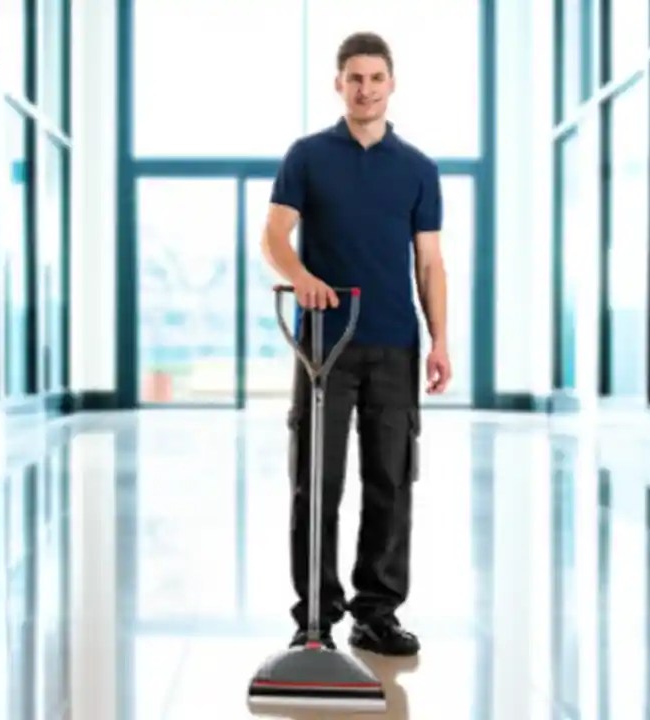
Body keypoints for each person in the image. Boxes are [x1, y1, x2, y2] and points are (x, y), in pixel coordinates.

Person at [260, 31, 450, 658]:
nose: (365, 89)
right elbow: (274, 237)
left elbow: (430, 263)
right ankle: (314, 615)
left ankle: (377, 614)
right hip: (325, 349)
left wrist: (439, 340)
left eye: (375, 78)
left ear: (392, 83)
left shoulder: (418, 168)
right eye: (354, 78)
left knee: (390, 481)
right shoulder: (307, 156)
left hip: (395, 341)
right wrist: (303, 278)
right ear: (337, 84)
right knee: (317, 481)